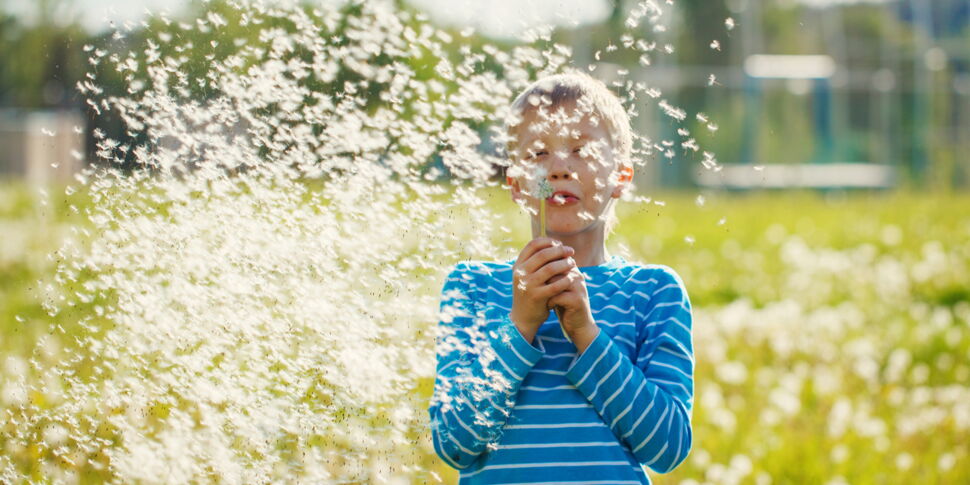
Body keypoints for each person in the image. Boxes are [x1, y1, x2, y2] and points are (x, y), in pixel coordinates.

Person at [428, 71, 694, 483]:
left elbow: (667, 448)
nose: (559, 167)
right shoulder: (473, 287)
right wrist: (521, 325)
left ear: (621, 177)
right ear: (516, 184)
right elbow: (456, 444)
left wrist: (586, 333)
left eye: (581, 150)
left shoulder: (653, 291)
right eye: (538, 153)